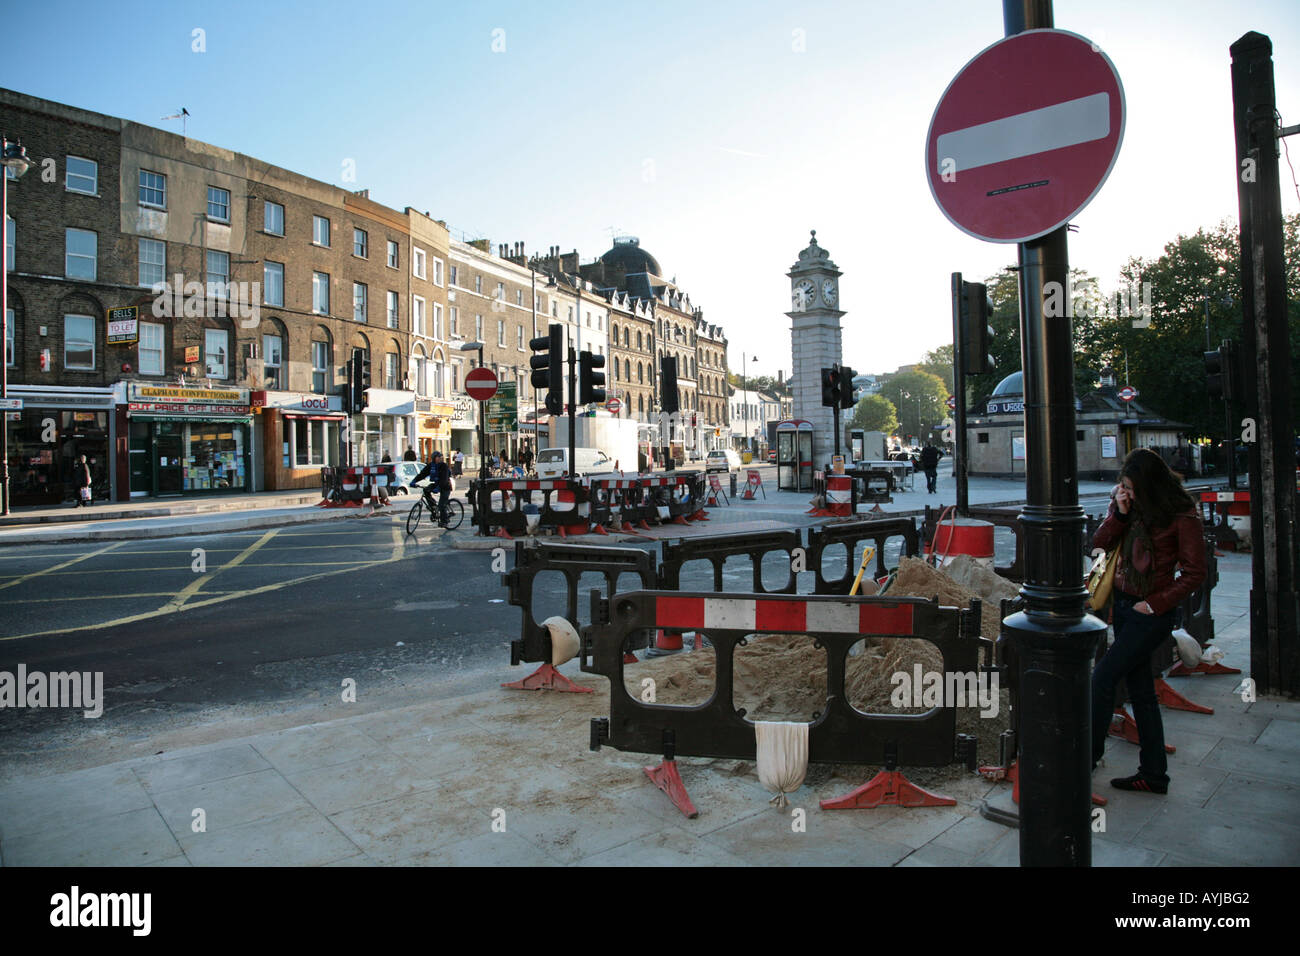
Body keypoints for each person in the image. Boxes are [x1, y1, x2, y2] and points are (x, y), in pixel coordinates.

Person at [1090, 448, 1206, 795]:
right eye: (1122, 487)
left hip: (1149, 613)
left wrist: (1155, 604)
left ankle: (1088, 757)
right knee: (1142, 693)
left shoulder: (1181, 515)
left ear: (1150, 485)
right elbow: (1098, 543)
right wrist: (1120, 513)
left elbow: (1195, 571)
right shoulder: (1130, 509)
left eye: (1131, 487)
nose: (1126, 493)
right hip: (1124, 606)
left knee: (1102, 678)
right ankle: (1154, 774)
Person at [412, 451, 453, 527]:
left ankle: (445, 521)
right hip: (436, 484)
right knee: (426, 490)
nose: (440, 459)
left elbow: (444, 479)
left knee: (441, 505)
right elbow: (422, 474)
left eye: (441, 457)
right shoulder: (431, 465)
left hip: (445, 486)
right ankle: (433, 506)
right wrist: (414, 481)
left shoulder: (444, 466)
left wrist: (438, 488)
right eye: (438, 457)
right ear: (434, 458)